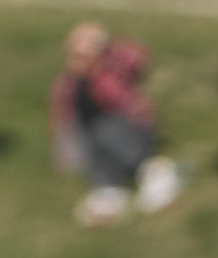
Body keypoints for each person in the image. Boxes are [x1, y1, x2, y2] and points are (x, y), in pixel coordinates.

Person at [50, 22, 182, 227]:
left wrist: (107, 45)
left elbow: (139, 59)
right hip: (96, 141)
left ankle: (150, 170)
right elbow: (63, 115)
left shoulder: (112, 68)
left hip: (132, 131)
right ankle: (107, 189)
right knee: (94, 133)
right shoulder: (70, 83)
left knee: (105, 128)